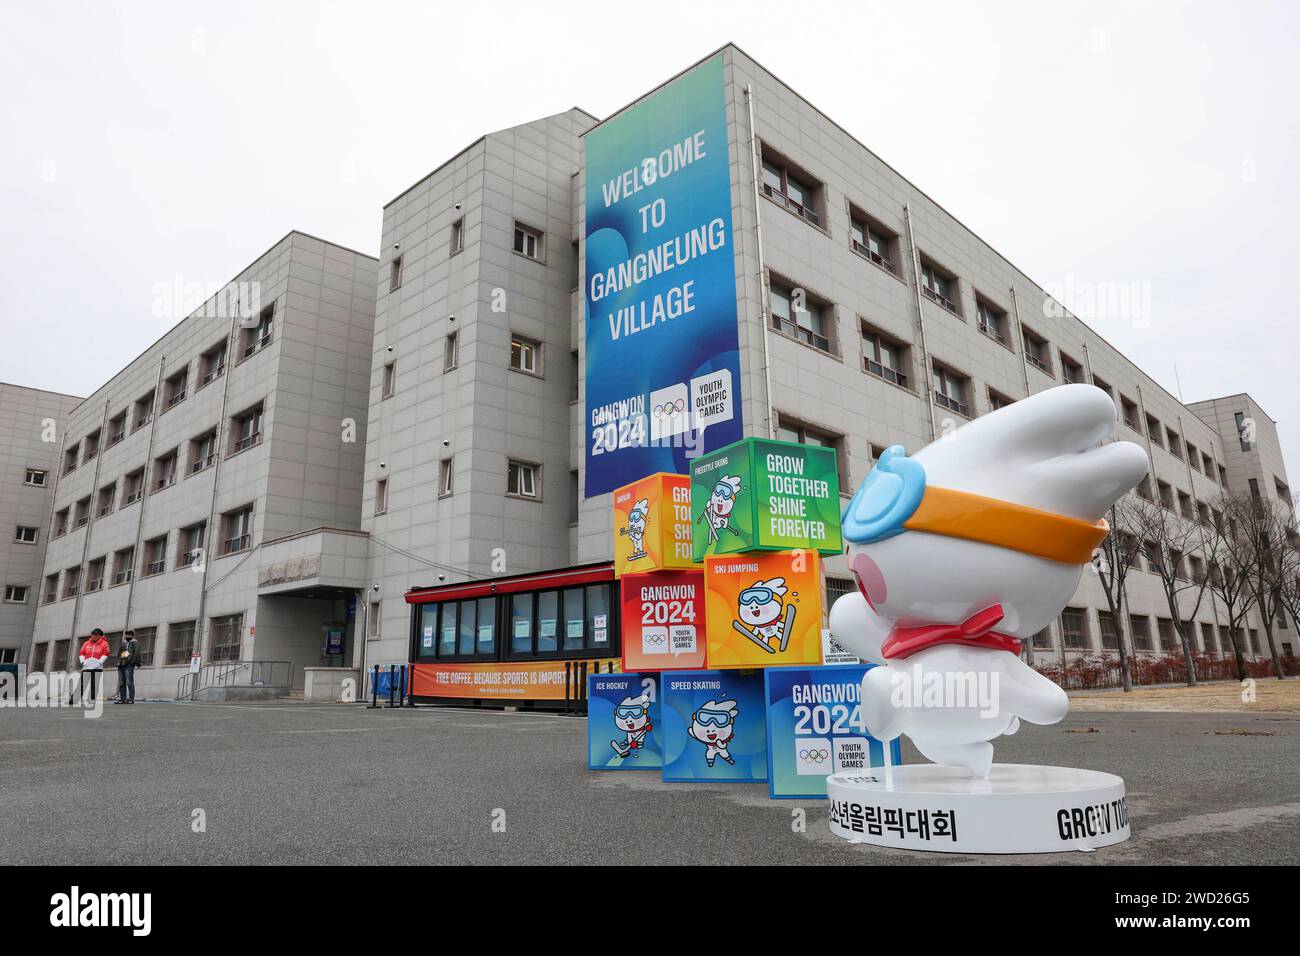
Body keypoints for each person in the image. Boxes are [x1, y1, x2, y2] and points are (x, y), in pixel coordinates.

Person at [70, 628, 110, 705]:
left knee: (94, 685)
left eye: (96, 635)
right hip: (86, 667)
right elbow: (82, 653)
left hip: (97, 668)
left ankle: (91, 699)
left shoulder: (104, 643)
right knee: (81, 684)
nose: (94, 636)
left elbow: (106, 653)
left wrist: (99, 662)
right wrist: (82, 661)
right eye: (93, 634)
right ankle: (74, 699)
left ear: (100, 636)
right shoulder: (86, 643)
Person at [115, 629, 139, 704]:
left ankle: (131, 699)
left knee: (129, 682)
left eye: (129, 635)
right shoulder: (124, 643)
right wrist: (119, 662)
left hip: (129, 665)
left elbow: (136, 654)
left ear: (132, 636)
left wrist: (131, 663)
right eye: (126, 635)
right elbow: (120, 653)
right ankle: (123, 699)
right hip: (122, 664)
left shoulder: (134, 643)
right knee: (122, 682)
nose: (127, 636)